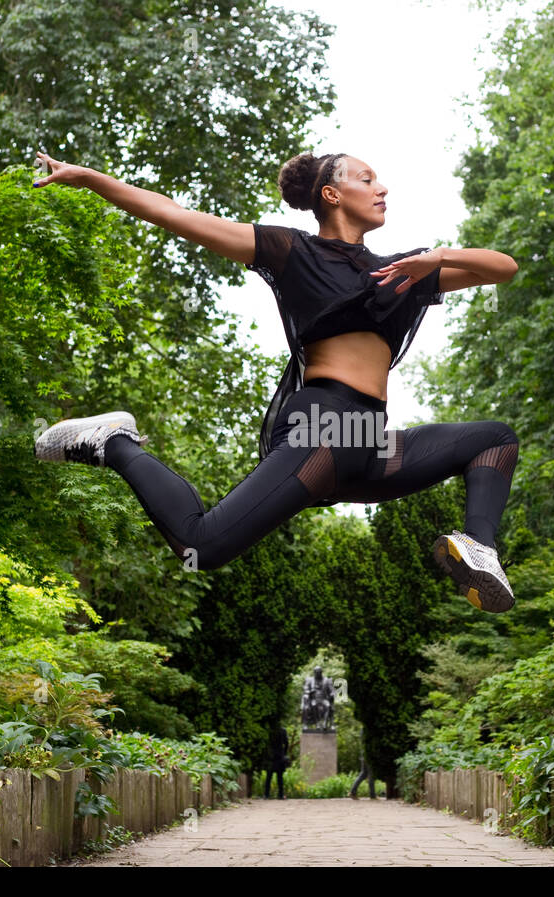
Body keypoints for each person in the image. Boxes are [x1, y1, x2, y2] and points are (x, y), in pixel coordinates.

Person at [31, 149, 520, 611]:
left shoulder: (398, 271)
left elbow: (503, 269)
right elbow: (172, 214)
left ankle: (478, 546)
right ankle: (113, 442)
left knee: (494, 439)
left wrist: (435, 258)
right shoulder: (292, 252)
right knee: (198, 545)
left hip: (369, 444)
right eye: (367, 180)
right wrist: (87, 178)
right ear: (331, 193)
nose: (382, 188)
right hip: (326, 427)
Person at [265, 724, 289, 800]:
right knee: (280, 777)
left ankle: (266, 795)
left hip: (271, 756)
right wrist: (284, 753)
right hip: (280, 755)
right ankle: (280, 795)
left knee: (269, 776)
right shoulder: (283, 730)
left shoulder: (269, 730)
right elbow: (286, 743)